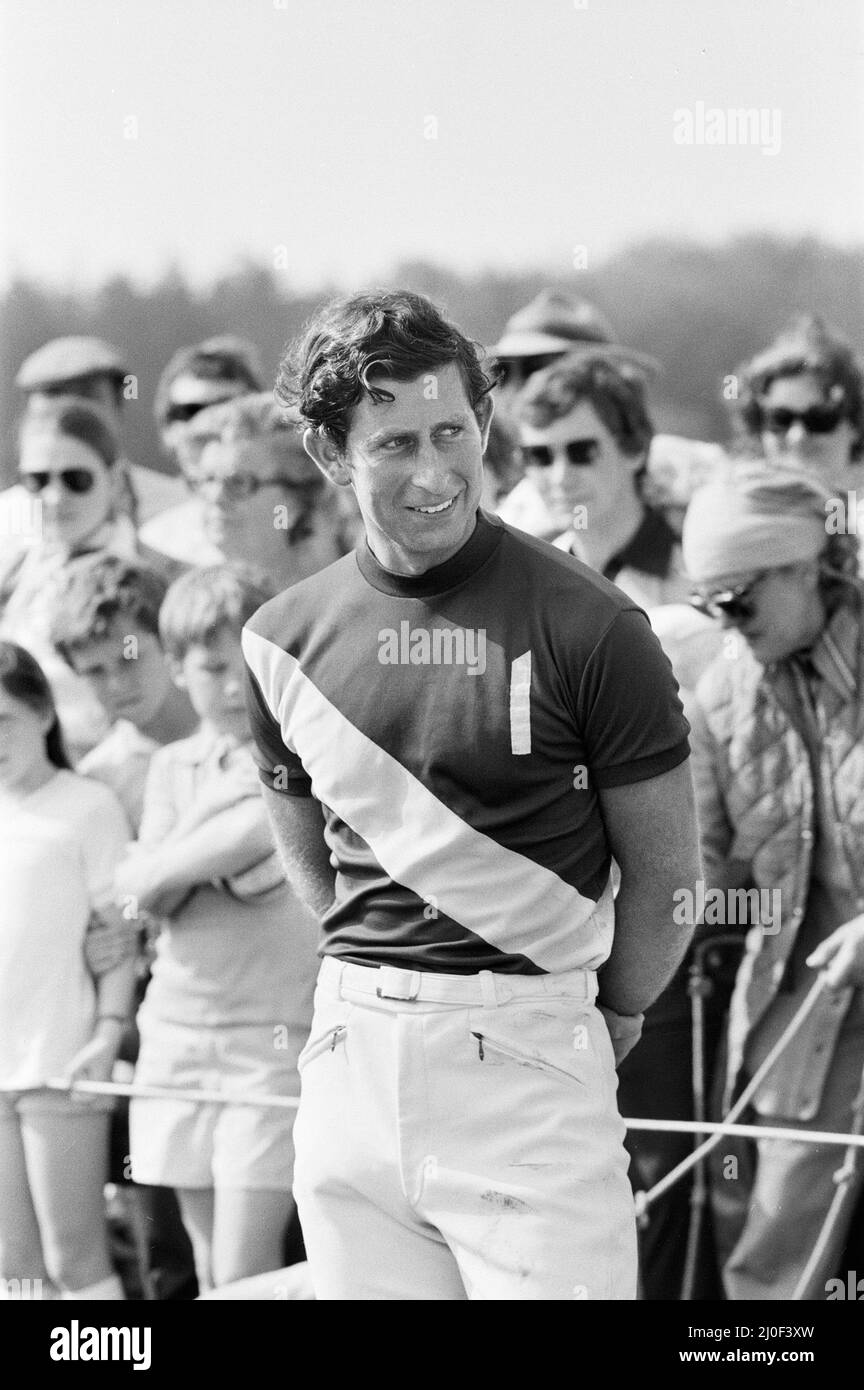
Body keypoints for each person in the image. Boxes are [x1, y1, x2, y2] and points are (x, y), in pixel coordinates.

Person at [241, 288, 701, 1301]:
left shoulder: (599, 625)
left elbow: (669, 879)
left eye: (454, 429)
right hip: (351, 1058)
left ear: (487, 423)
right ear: (332, 456)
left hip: (533, 1070)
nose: (435, 469)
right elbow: (308, 852)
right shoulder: (277, 636)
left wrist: (601, 1012)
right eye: (395, 441)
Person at [683, 464, 864, 1299]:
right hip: (807, 1025)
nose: (725, 623)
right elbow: (702, 871)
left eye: (738, 598)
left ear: (804, 566)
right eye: (707, 604)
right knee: (775, 1273)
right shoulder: (722, 694)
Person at [119, 565, 317, 1294]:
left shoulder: (298, 757)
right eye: (210, 669)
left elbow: (228, 848)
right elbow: (140, 895)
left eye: (245, 668)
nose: (233, 688)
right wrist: (172, 866)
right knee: (207, 1271)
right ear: (176, 670)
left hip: (271, 1041)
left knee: (244, 1272)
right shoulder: (174, 765)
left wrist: (168, 864)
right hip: (175, 1034)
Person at [0, 641, 135, 1300]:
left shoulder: (87, 805)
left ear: (43, 713)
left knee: (74, 1258)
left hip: (64, 1060)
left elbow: (119, 940)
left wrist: (107, 1032)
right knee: (15, 1270)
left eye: (3, 720)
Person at [0, 399, 175, 758]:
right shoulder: (22, 566)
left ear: (113, 479)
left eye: (76, 480)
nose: (55, 497)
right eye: (37, 480)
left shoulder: (153, 573)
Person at [511, 351, 692, 609]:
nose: (560, 478)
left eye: (582, 452)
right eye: (540, 456)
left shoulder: (701, 571)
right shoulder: (525, 582)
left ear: (635, 450)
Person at [49, 553, 198, 831]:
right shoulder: (101, 782)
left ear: (169, 642)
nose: (117, 684)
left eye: (129, 659)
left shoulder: (242, 725)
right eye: (95, 671)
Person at [164, 393, 359, 584]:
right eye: (206, 481)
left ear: (300, 499)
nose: (215, 497)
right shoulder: (199, 597)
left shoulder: (354, 594)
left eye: (238, 483)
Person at [11, 334, 187, 523]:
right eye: (55, 397)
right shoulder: (7, 522)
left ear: (118, 404)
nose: (73, 420)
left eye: (87, 395)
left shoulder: (175, 506)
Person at [137, 337, 267, 561]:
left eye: (226, 408)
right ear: (168, 430)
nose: (208, 423)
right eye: (190, 412)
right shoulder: (154, 545)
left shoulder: (297, 521)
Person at [731, 315, 864, 497]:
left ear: (855, 427)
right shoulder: (726, 505)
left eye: (819, 419)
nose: (797, 437)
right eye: (780, 419)